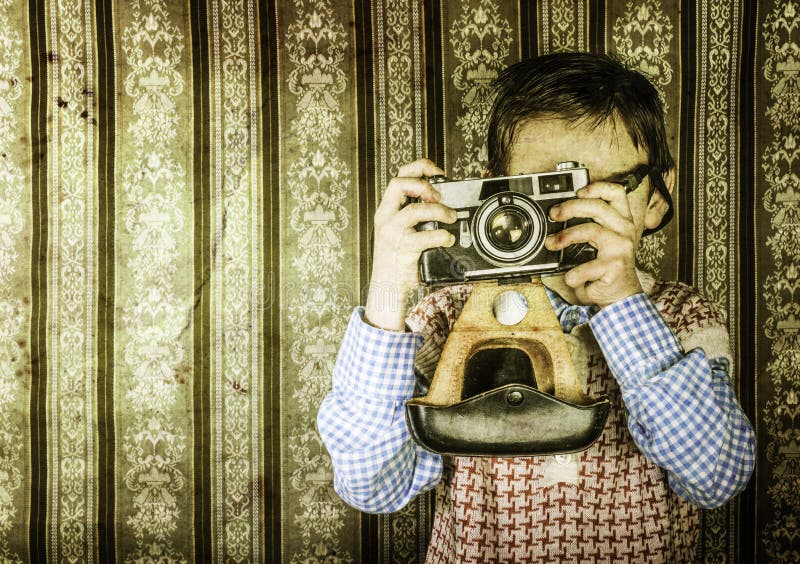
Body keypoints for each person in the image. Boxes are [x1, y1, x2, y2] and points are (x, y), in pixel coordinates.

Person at [317, 52, 755, 562]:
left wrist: (624, 305)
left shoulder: (683, 318)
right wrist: (387, 289)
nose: (573, 214)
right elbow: (373, 487)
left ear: (657, 195)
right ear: (494, 195)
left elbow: (717, 478)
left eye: (605, 189)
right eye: (542, 191)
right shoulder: (446, 316)